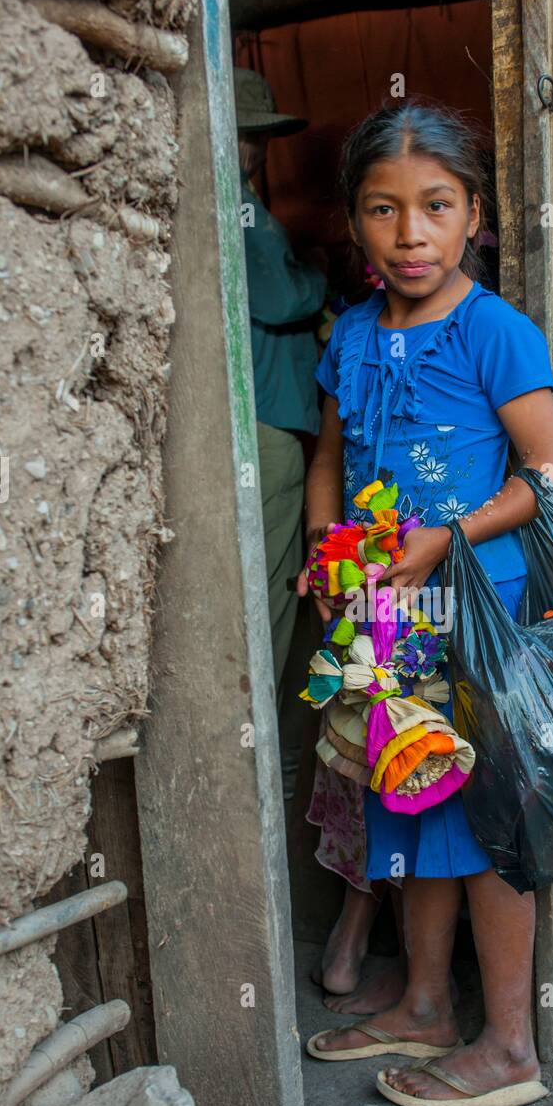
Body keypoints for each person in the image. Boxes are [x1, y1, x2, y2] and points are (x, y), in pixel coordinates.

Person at [296, 98, 553, 1106]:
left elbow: (550, 470)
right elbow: (330, 458)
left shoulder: (493, 331)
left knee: (486, 822)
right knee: (404, 806)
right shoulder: (353, 334)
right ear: (355, 219)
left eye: (435, 206)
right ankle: (422, 1003)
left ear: (471, 216)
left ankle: (508, 1044)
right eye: (382, 210)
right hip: (384, 628)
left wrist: (443, 539)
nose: (409, 234)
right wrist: (333, 553)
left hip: (474, 620)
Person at [235, 67, 327, 709]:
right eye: (244, 134)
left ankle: (272, 749)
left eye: (258, 137)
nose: (253, 149)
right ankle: (261, 747)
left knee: (277, 587)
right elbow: (278, 294)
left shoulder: (240, 205)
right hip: (269, 430)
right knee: (271, 596)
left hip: (266, 422)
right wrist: (318, 274)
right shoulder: (239, 208)